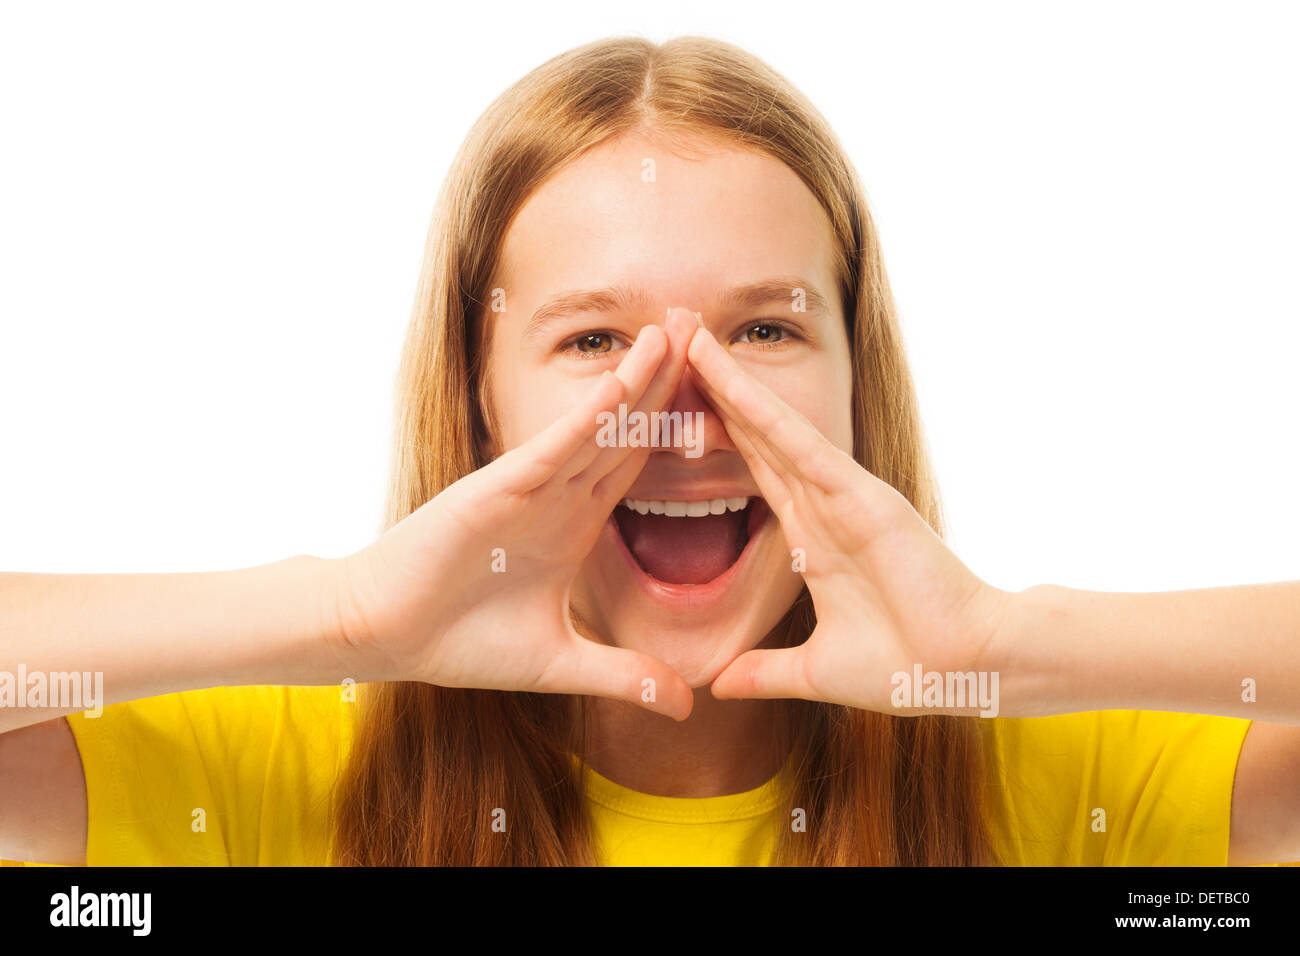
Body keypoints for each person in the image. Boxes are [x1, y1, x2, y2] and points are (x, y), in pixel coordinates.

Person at [2, 35, 1297, 867]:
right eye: (593, 343)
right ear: (480, 393)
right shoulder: (272, 765)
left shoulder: (1073, 769)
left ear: (860, 383)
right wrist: (345, 618)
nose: (679, 411)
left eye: (763, 331)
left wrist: (1005, 649)